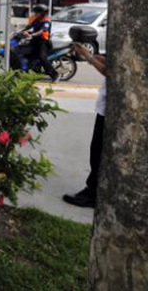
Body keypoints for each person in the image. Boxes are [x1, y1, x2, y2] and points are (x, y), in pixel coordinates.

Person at [63, 45, 107, 208]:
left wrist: (88, 57)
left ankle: (92, 193)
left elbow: (111, 71)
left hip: (110, 109)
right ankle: (93, 189)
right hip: (105, 107)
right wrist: (96, 57)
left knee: (98, 152)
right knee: (96, 150)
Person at [22, 4, 58, 82]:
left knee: (42, 57)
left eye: (37, 13)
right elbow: (30, 26)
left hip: (43, 42)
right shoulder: (37, 19)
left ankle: (54, 74)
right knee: (26, 53)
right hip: (35, 41)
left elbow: (42, 31)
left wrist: (32, 34)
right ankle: (34, 71)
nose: (35, 14)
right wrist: (22, 30)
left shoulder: (46, 21)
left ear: (42, 13)